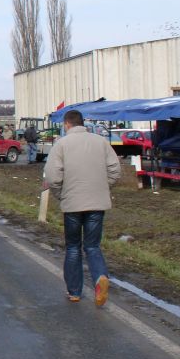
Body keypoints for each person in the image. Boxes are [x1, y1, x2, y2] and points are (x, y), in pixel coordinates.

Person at [43, 109, 121, 305]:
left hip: (72, 204)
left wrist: (62, 194)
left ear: (67, 124)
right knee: (93, 246)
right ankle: (100, 277)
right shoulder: (101, 142)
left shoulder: (61, 145)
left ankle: (75, 291)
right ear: (82, 123)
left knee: (73, 247)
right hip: (97, 203)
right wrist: (103, 186)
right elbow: (115, 170)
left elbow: (52, 176)